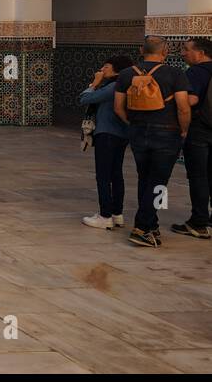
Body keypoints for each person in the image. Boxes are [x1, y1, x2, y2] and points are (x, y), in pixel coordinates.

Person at [113, 36, 191, 248]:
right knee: (159, 183)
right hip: (167, 133)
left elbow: (118, 107)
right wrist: (184, 129)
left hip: (138, 132)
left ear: (141, 50)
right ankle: (142, 228)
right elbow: (183, 107)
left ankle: (152, 224)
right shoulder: (175, 74)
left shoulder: (127, 74)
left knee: (145, 178)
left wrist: (132, 123)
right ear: (165, 51)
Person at [79, 54, 134, 229]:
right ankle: (117, 213)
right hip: (121, 135)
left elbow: (84, 98)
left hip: (107, 134)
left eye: (106, 67)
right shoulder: (124, 84)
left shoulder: (113, 87)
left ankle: (104, 216)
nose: (102, 70)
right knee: (116, 174)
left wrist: (94, 83)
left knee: (103, 175)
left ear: (116, 69)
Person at [174, 37, 212, 239]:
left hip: (199, 130)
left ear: (201, 53)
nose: (182, 53)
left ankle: (199, 222)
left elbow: (191, 99)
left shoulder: (196, 72)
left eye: (186, 50)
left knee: (198, 176)